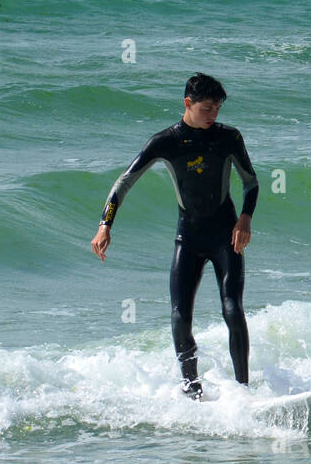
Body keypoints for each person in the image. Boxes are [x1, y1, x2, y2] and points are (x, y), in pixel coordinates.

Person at [90, 73, 259, 400]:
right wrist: (104, 224)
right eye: (207, 108)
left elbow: (250, 182)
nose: (214, 115)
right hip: (189, 238)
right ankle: (192, 390)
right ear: (187, 104)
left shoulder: (229, 137)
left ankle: (244, 392)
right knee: (180, 317)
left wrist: (245, 219)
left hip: (226, 235)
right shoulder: (165, 142)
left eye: (218, 109)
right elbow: (123, 183)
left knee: (232, 309)